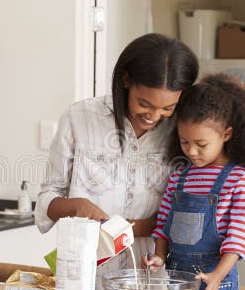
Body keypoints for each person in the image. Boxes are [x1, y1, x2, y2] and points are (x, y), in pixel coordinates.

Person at [35, 33, 199, 260]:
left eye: (167, 108)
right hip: (85, 273)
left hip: (149, 278)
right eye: (144, 104)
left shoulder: (183, 132)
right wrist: (75, 206)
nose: (154, 116)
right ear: (125, 79)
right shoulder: (78, 118)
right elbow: (47, 199)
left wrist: (128, 231)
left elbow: (189, 212)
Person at [144, 73, 245, 290]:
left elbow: (237, 239)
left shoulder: (238, 179)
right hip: (178, 284)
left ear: (226, 134)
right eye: (184, 142)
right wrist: (158, 256)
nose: (192, 151)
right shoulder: (179, 177)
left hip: (216, 284)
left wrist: (216, 276)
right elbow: (164, 225)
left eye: (201, 144)